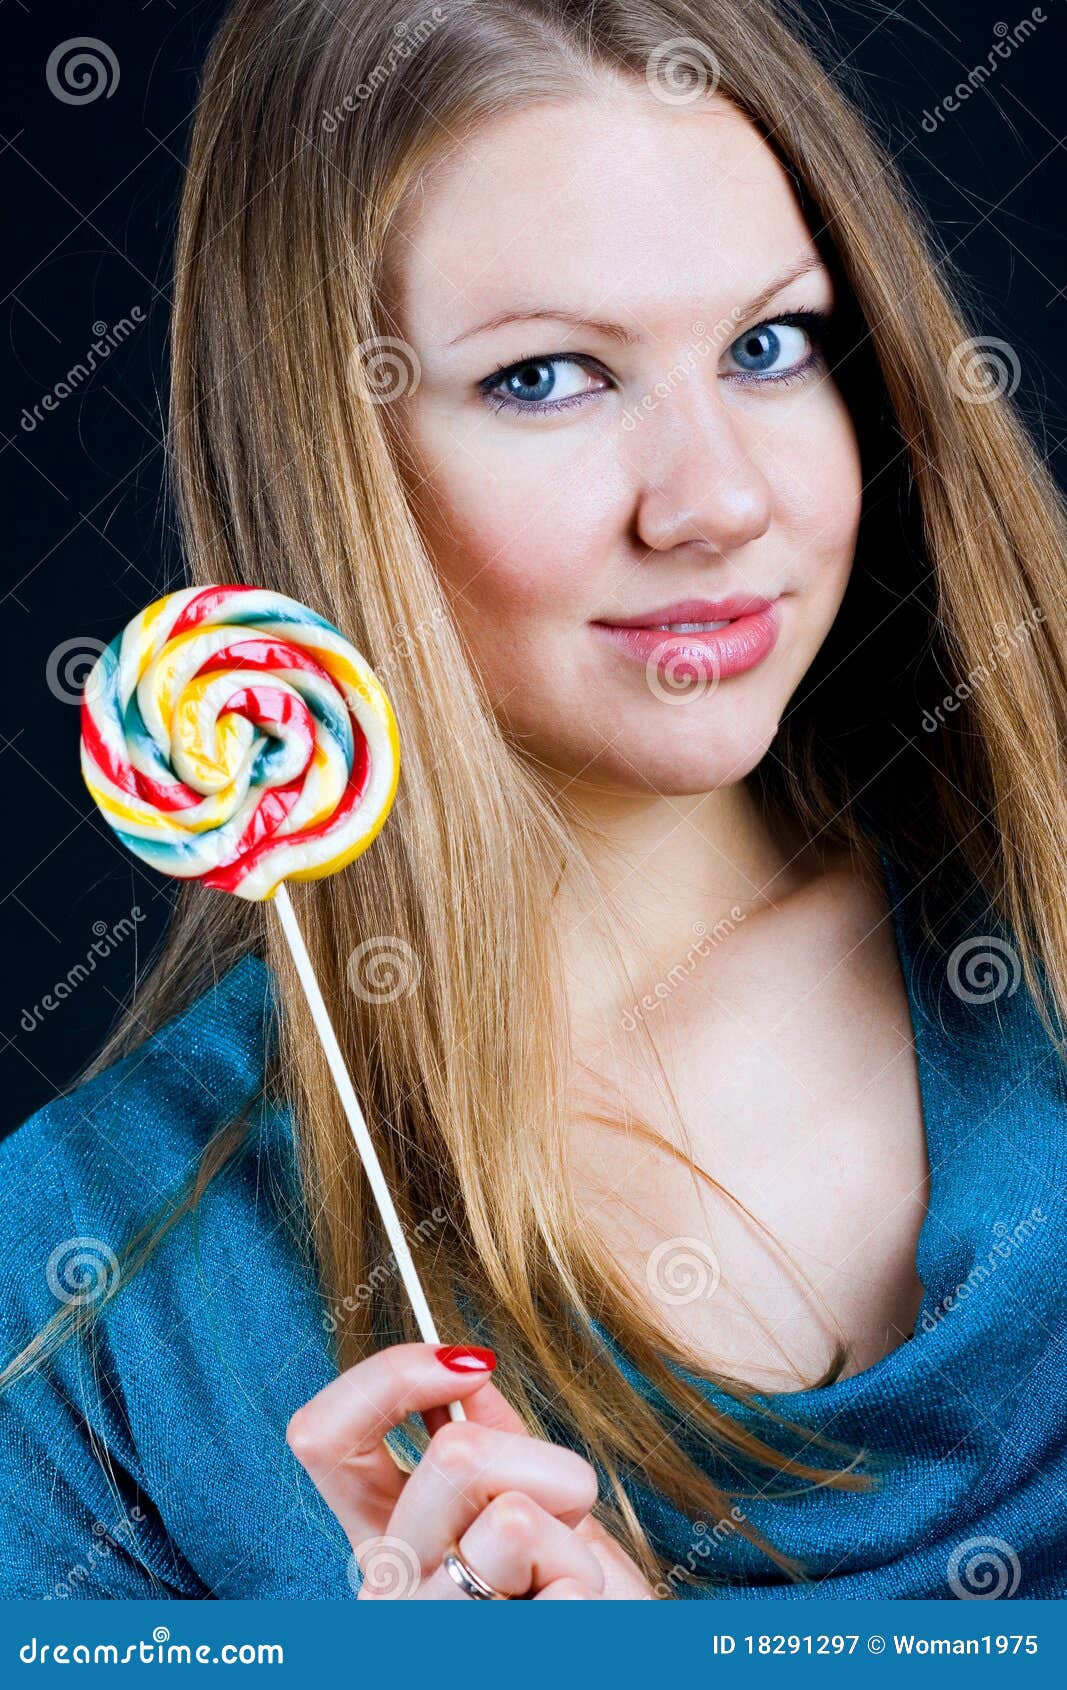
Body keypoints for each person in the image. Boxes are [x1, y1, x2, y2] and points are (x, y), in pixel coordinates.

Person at [2, 0, 1065, 1601]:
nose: (716, 498)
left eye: (770, 344)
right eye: (549, 376)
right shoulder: (87, 1291)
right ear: (324, 452)